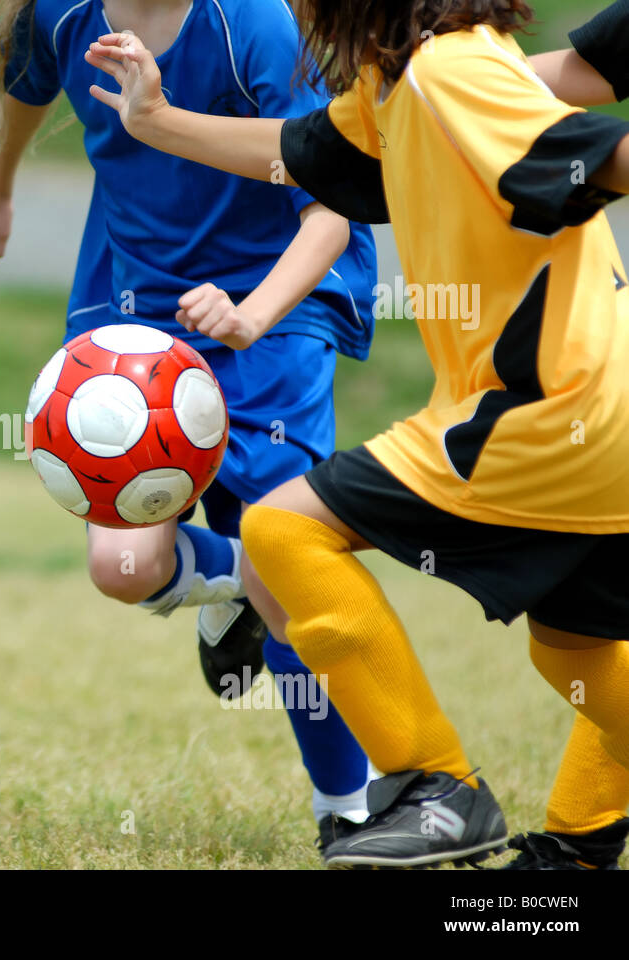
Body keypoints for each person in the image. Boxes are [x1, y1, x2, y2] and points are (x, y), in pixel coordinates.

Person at [85, 0, 629, 868]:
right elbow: (293, 153)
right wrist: (153, 118)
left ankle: (437, 789)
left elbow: (602, 155)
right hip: (601, 416)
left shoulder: (452, 75)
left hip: (542, 412)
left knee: (282, 529)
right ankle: (575, 858)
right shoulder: (403, 84)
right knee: (578, 650)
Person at [0, 0, 382, 849]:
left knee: (289, 576)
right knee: (124, 567)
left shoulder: (256, 28)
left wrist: (251, 314)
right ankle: (238, 583)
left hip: (273, 299)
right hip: (132, 303)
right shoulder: (59, 15)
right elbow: (24, 83)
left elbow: (331, 208)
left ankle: (349, 809)